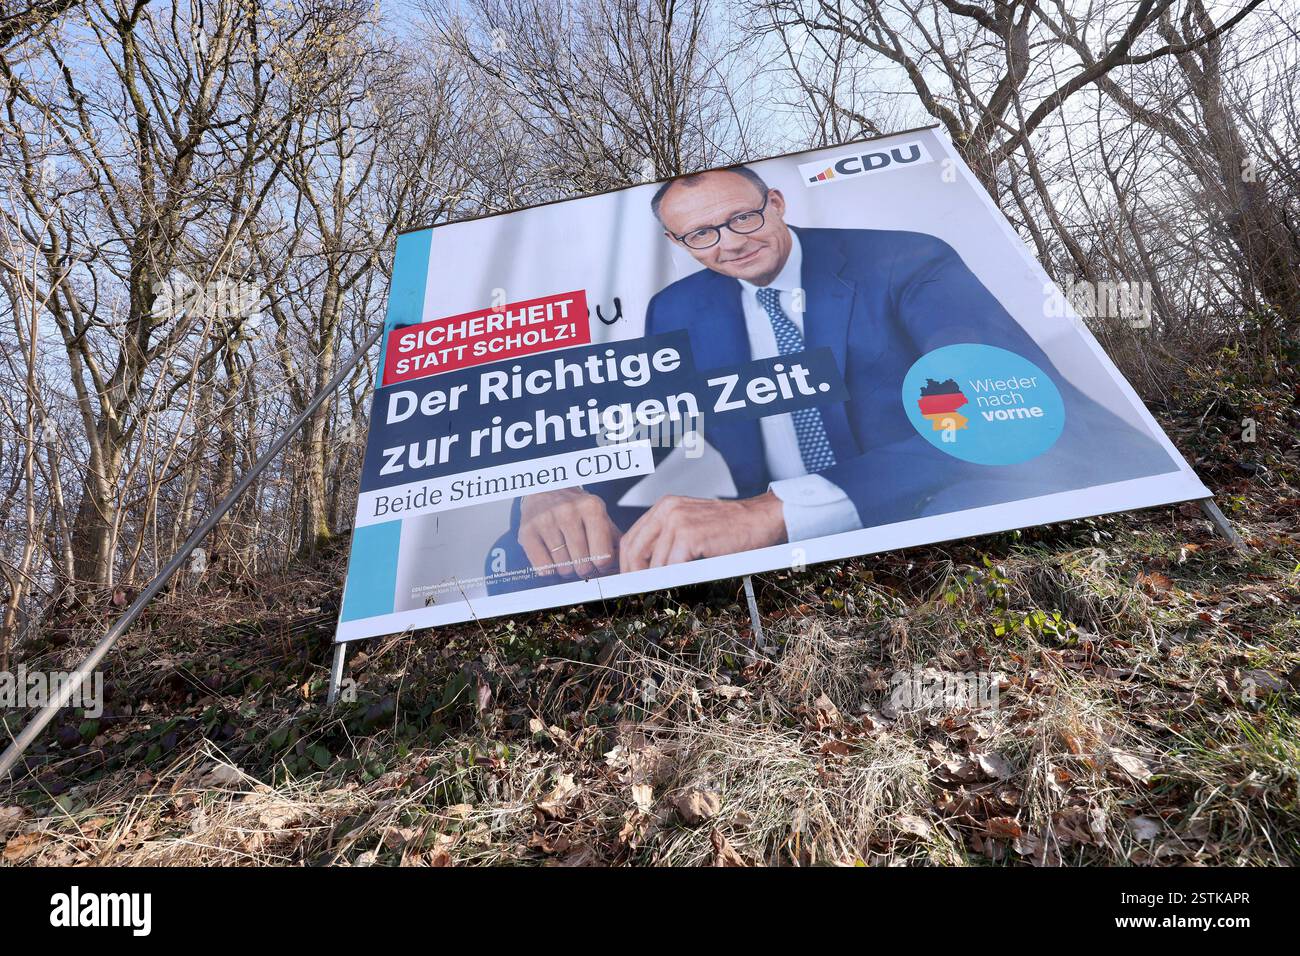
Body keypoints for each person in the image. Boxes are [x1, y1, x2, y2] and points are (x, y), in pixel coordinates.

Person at [485, 165, 1175, 590]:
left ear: (779, 203)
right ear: (676, 243)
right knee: (527, 551)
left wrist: (771, 512)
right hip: (784, 535)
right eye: (701, 235)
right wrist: (563, 487)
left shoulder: (905, 261)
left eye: (742, 217)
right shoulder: (678, 309)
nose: (728, 243)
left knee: (966, 520)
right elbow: (654, 419)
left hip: (934, 489)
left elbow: (1002, 404)